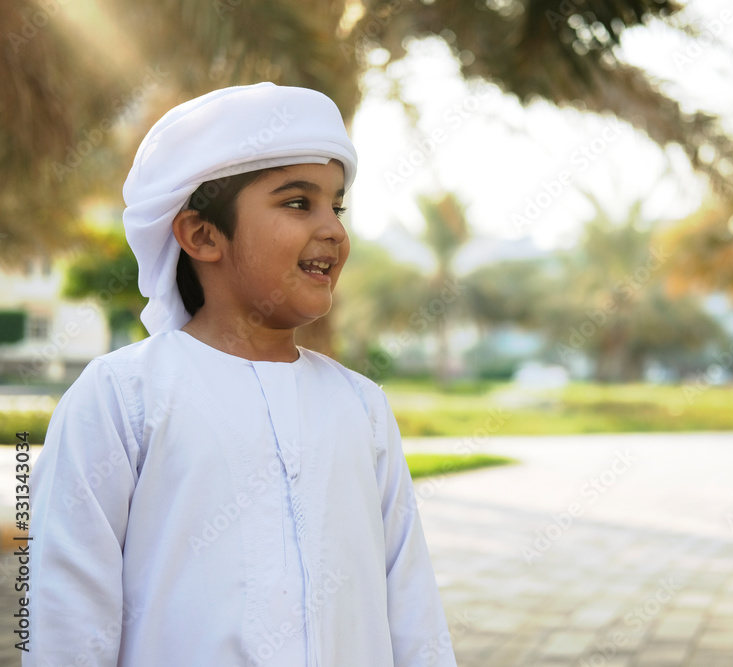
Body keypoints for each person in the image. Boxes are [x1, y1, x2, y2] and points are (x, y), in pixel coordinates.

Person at [26, 82, 457, 667]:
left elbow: (411, 607)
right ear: (203, 235)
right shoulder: (122, 397)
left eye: (338, 206)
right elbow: (66, 619)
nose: (332, 229)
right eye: (298, 203)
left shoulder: (362, 406)